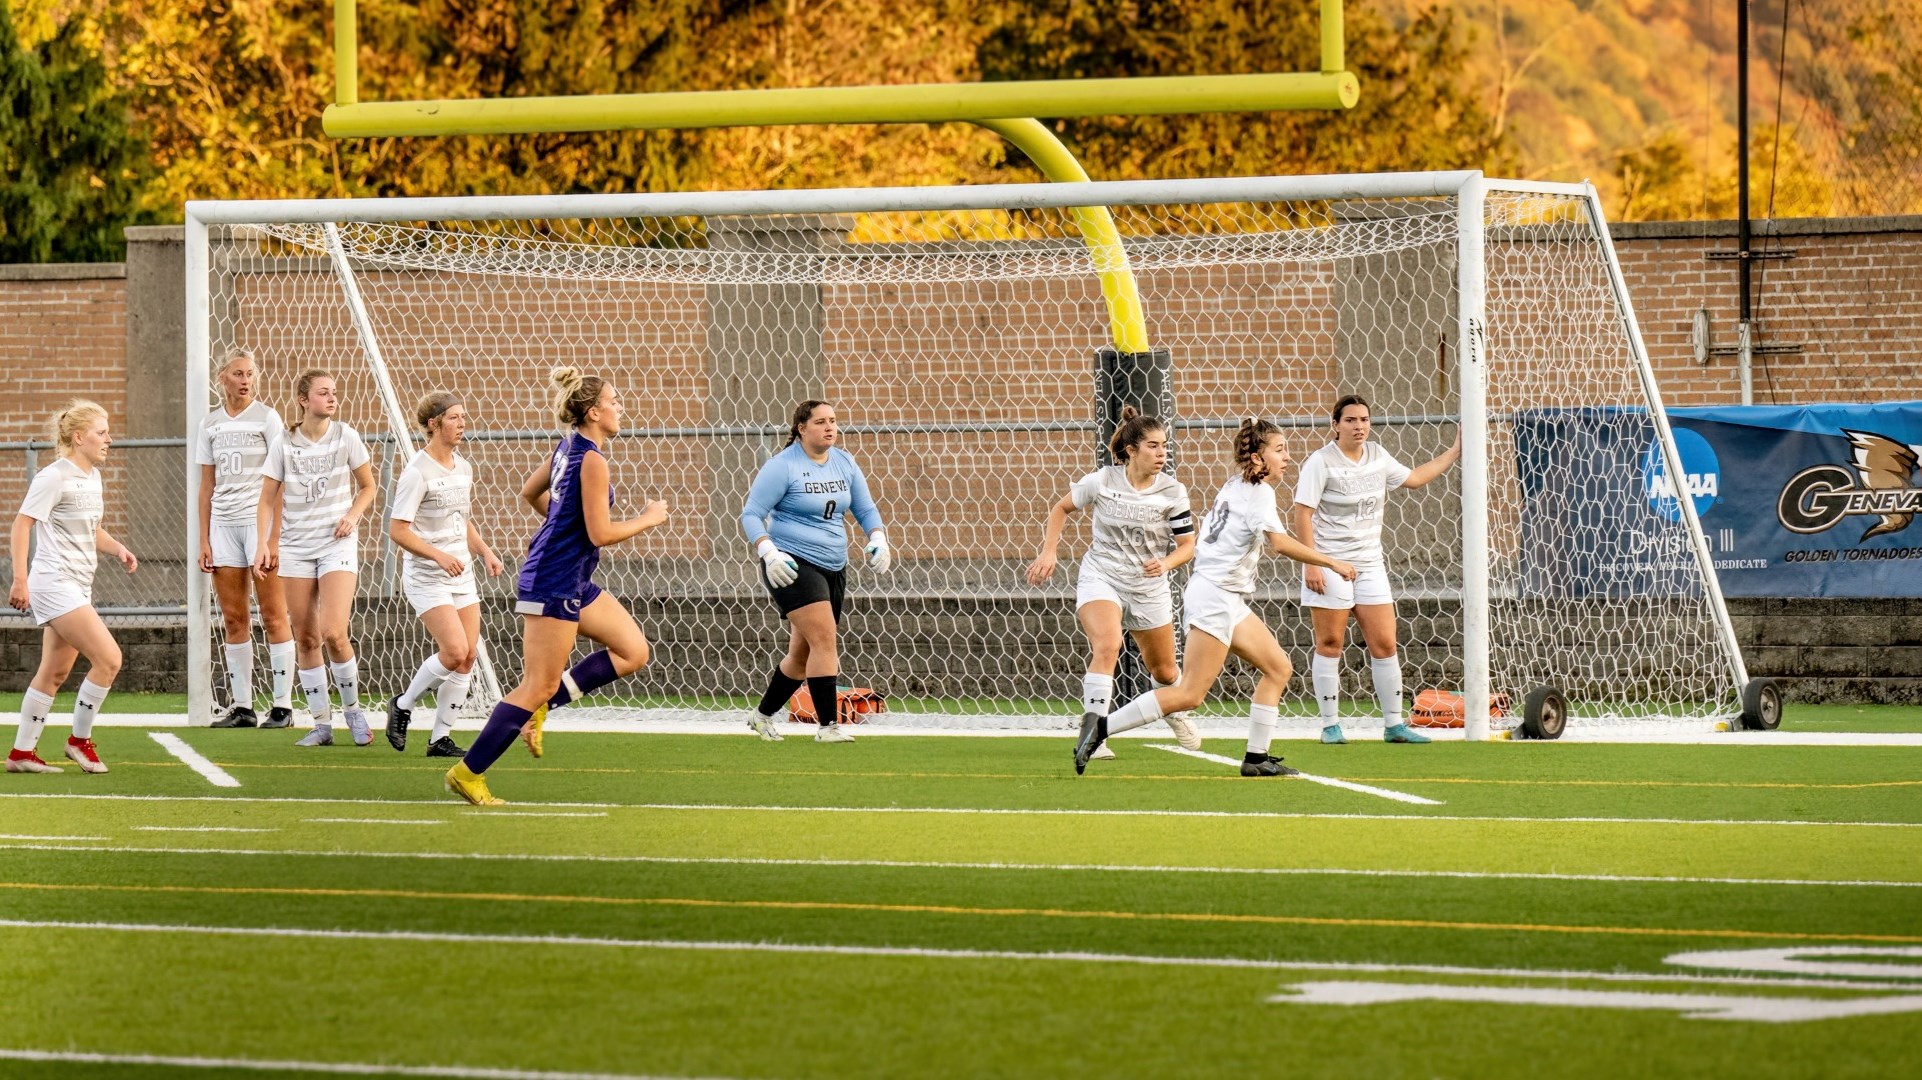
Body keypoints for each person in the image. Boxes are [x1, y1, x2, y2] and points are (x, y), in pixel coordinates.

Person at [1075, 419, 1356, 776]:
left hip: (1225, 596)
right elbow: (1280, 544)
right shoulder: (1260, 494)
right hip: (1216, 596)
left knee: (1278, 668)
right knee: (1190, 693)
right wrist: (1332, 562)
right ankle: (1099, 728)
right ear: (1257, 457)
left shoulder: (1236, 484)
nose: (1288, 458)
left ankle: (1256, 758)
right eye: (1280, 450)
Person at [444, 367, 667, 806]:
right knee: (535, 685)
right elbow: (600, 534)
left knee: (633, 651)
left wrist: (561, 528)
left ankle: (543, 707)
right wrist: (648, 518)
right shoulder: (593, 460)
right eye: (614, 400)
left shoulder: (571, 447)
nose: (620, 407)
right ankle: (467, 772)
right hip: (553, 579)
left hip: (571, 576)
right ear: (593, 411)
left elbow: (530, 493)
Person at [1026, 406, 1200, 759]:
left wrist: (1164, 563)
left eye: (1165, 446)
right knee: (1108, 645)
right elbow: (1060, 509)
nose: (1162, 453)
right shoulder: (1101, 480)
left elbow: (1187, 547)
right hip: (1101, 576)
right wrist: (1049, 552)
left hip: (1148, 587)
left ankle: (1174, 709)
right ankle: (1094, 733)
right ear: (1131, 450)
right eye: (1153, 446)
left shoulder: (1173, 491)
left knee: (1166, 672)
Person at [1294, 395, 1462, 745]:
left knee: (1385, 644)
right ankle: (1329, 726)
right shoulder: (1320, 462)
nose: (1359, 426)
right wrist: (1311, 563)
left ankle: (1394, 725)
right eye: (1351, 420)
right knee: (1330, 643)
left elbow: (1414, 479)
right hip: (1329, 564)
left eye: (1364, 420)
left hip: (1370, 566)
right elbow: (1303, 513)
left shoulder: (1378, 456)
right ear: (1336, 425)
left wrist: (1454, 452)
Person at [738, 400, 889, 745]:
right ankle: (827, 727)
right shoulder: (783, 466)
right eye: (820, 422)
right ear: (801, 428)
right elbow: (751, 514)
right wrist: (768, 550)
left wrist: (878, 538)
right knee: (825, 639)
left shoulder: (845, 462)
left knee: (802, 655)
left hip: (834, 563)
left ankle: (761, 717)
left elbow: (865, 508)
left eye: (833, 421)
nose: (830, 427)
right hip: (791, 563)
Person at [7, 402, 137, 774]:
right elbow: (21, 525)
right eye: (101, 432)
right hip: (54, 583)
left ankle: (21, 754)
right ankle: (78, 742)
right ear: (79, 438)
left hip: (78, 584)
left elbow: (90, 529)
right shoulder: (53, 476)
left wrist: (118, 548)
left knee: (54, 673)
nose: (109, 439)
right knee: (109, 659)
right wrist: (20, 579)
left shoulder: (92, 477)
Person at [255, 370, 378, 747]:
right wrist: (264, 543)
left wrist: (352, 515)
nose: (332, 398)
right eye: (323, 393)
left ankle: (354, 712)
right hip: (295, 547)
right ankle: (322, 724)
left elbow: (369, 486)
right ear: (304, 400)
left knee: (333, 633)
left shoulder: (347, 436)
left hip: (336, 544)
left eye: (334, 393)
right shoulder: (284, 443)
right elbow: (265, 500)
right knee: (305, 637)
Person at [385, 391, 505, 757]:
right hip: (427, 575)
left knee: (468, 656)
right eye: (454, 418)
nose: (462, 424)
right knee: (453, 651)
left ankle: (439, 739)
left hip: (462, 573)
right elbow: (398, 530)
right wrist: (437, 555)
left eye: (463, 417)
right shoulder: (417, 472)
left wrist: (484, 552)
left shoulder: (464, 468)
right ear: (434, 424)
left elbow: (461, 521)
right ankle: (403, 705)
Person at [196, 348, 297, 728]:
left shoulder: (268, 419)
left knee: (273, 614)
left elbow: (281, 483)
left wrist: (271, 539)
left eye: (250, 374)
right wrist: (204, 540)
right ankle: (242, 707)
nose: (245, 380)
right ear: (222, 377)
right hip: (223, 528)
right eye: (238, 373)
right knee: (235, 617)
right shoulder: (210, 424)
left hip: (258, 526)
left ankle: (283, 706)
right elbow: (207, 485)